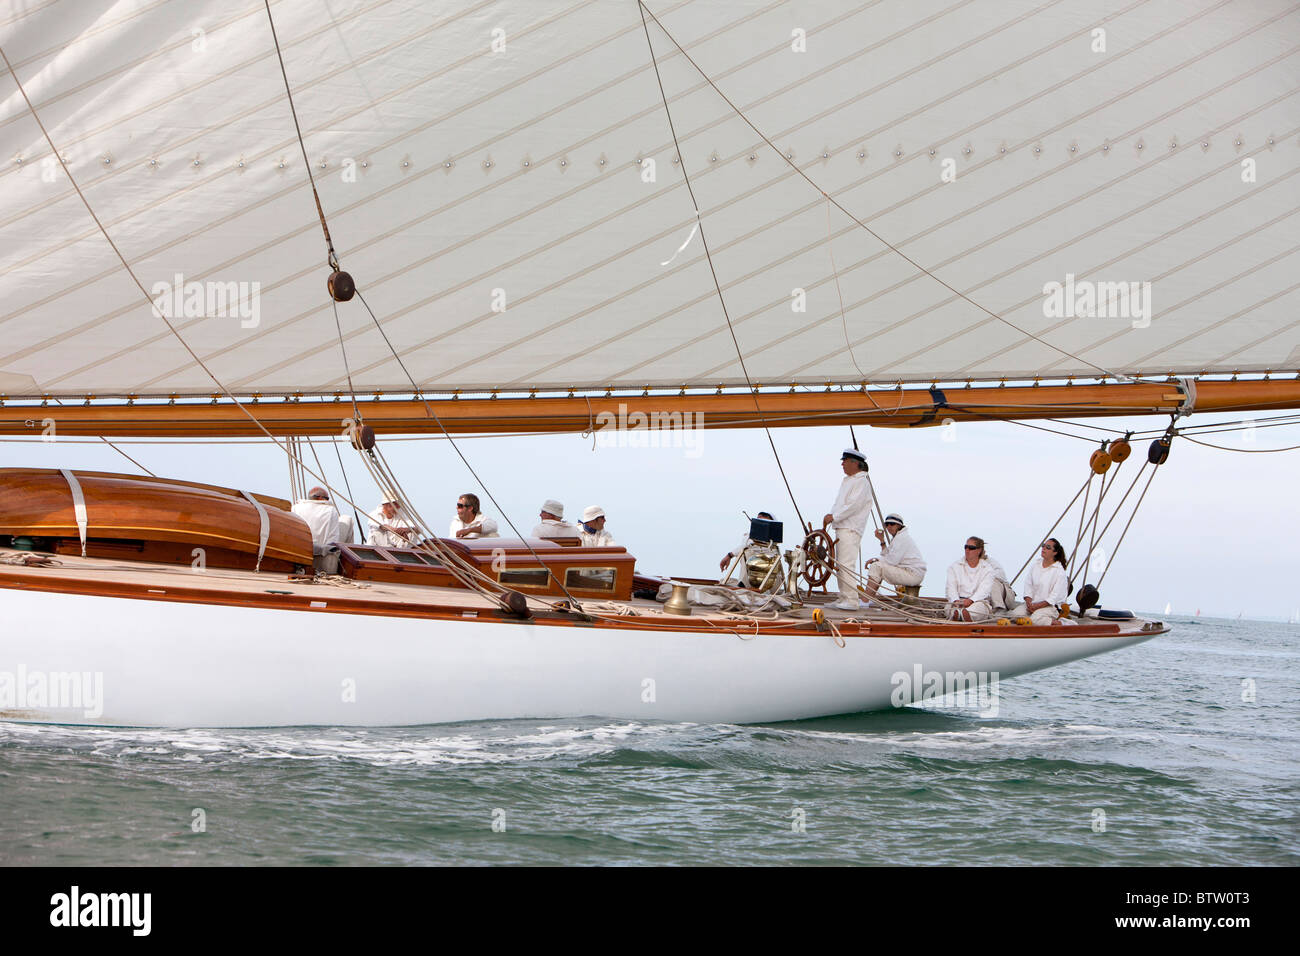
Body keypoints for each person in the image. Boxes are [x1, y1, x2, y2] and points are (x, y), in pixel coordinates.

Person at [822, 450, 873, 610]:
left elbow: (853, 505)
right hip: (842, 528)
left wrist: (834, 516)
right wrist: (833, 516)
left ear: (855, 463)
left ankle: (851, 600)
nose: (842, 464)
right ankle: (843, 597)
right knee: (840, 565)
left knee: (845, 565)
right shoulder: (849, 481)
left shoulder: (861, 482)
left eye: (845, 461)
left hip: (850, 528)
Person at [862, 513, 926, 602]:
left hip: (912, 574)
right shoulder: (899, 537)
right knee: (878, 566)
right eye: (886, 525)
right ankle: (869, 599)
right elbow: (887, 556)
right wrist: (882, 540)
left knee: (876, 567)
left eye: (892, 524)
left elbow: (891, 561)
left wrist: (876, 559)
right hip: (911, 572)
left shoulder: (902, 539)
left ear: (899, 525)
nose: (889, 527)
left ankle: (865, 600)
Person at [1007, 538, 1070, 625]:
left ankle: (1059, 622)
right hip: (1032, 604)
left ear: (1055, 552)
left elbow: (1054, 597)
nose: (1043, 548)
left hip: (1050, 607)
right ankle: (1036, 618)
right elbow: (1028, 585)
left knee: (1035, 619)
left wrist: (1037, 606)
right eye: (1043, 546)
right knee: (1015, 615)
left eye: (1048, 547)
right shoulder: (1036, 565)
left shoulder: (1059, 571)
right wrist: (1029, 603)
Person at [291, 486, 342, 573]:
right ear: (320, 498)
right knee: (347, 520)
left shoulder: (295, 508)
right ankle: (344, 566)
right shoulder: (331, 510)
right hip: (321, 555)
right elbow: (333, 539)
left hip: (300, 551)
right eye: (327, 498)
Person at [946, 536, 995, 622]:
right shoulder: (954, 567)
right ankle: (959, 615)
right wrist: (956, 600)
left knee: (977, 609)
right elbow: (951, 587)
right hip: (957, 602)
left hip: (978, 603)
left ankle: (963, 616)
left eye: (971, 548)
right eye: (966, 547)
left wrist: (971, 601)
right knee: (951, 609)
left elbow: (984, 590)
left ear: (979, 550)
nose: (967, 550)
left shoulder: (988, 569)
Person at [719, 510, 774, 575]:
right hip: (750, 577)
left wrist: (729, 556)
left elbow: (748, 544)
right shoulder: (749, 537)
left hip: (767, 576)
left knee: (748, 552)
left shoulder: (772, 541)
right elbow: (745, 545)